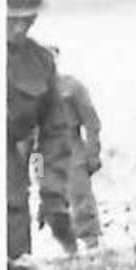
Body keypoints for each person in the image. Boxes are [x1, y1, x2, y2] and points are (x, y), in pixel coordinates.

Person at [7, 0, 74, 270]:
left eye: (27, 20)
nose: (19, 28)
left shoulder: (41, 62)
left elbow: (55, 133)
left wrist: (52, 196)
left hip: (9, 183)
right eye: (9, 19)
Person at [51, 48, 103, 248]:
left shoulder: (72, 87)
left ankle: (91, 245)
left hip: (71, 149)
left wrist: (93, 154)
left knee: (81, 200)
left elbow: (92, 122)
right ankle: (67, 250)